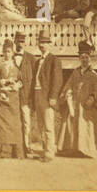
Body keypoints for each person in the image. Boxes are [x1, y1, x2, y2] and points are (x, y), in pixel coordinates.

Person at [59, 40, 97, 159]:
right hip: (75, 104)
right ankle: (73, 148)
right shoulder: (75, 72)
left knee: (85, 125)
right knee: (71, 121)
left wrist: (92, 98)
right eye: (82, 57)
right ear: (79, 58)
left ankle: (86, 149)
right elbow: (68, 85)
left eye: (87, 57)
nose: (84, 60)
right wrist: (66, 93)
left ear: (90, 59)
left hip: (87, 106)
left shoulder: (93, 74)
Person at [28, 30, 62, 162]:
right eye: (40, 42)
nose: (42, 45)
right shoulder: (37, 62)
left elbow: (57, 80)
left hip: (47, 97)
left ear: (49, 44)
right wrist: (32, 98)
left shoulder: (54, 60)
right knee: (41, 126)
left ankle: (49, 153)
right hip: (37, 96)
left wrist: (53, 97)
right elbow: (33, 82)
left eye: (44, 43)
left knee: (48, 126)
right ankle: (44, 150)